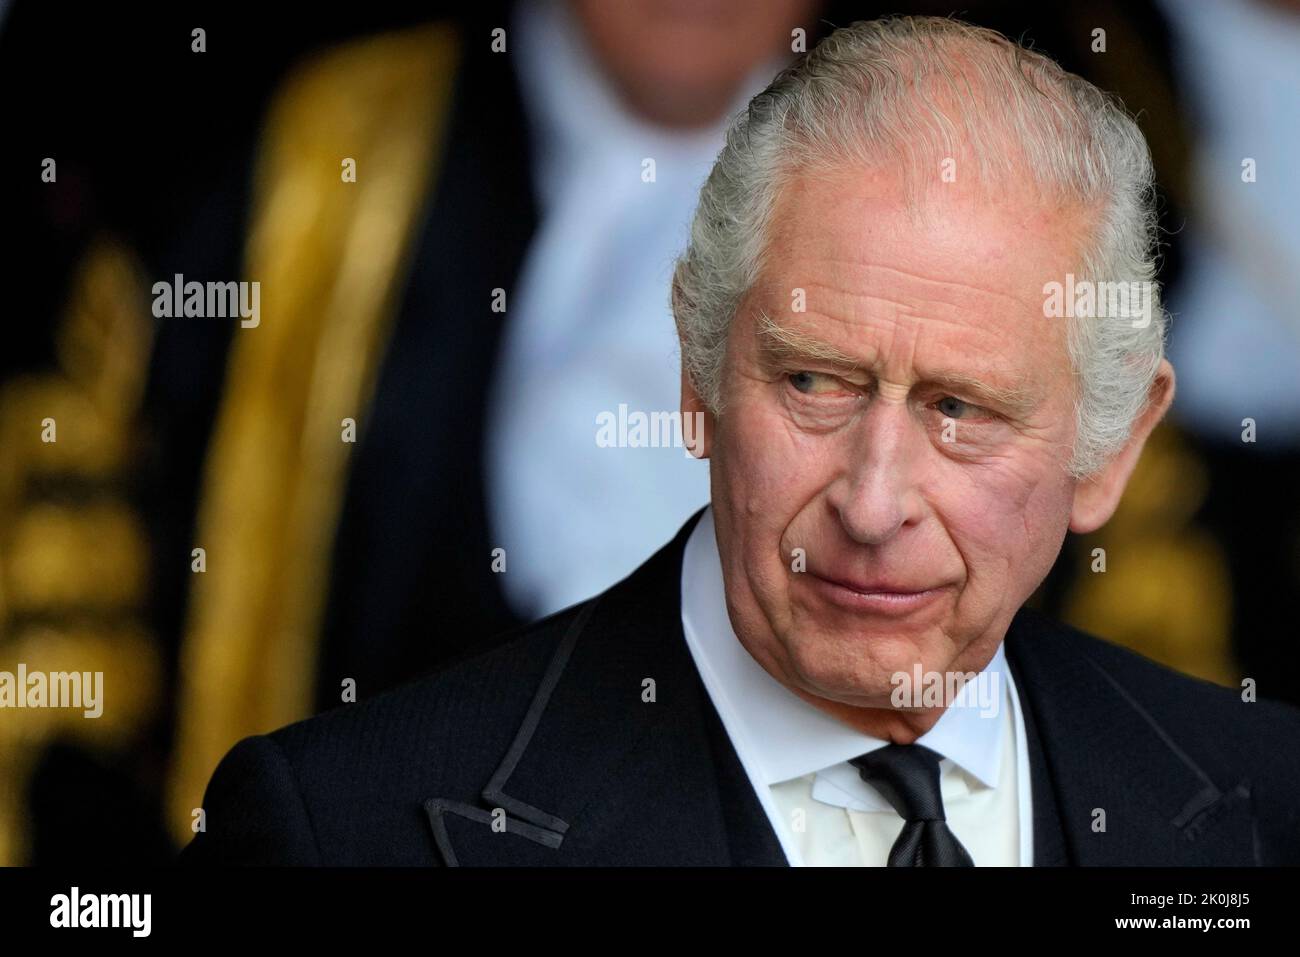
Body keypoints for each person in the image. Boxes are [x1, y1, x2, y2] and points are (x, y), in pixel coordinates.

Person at [180, 15, 1300, 867]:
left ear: (1111, 450)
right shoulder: (337, 832)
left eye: (961, 410)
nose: (872, 505)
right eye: (813, 381)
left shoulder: (1267, 799)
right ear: (697, 378)